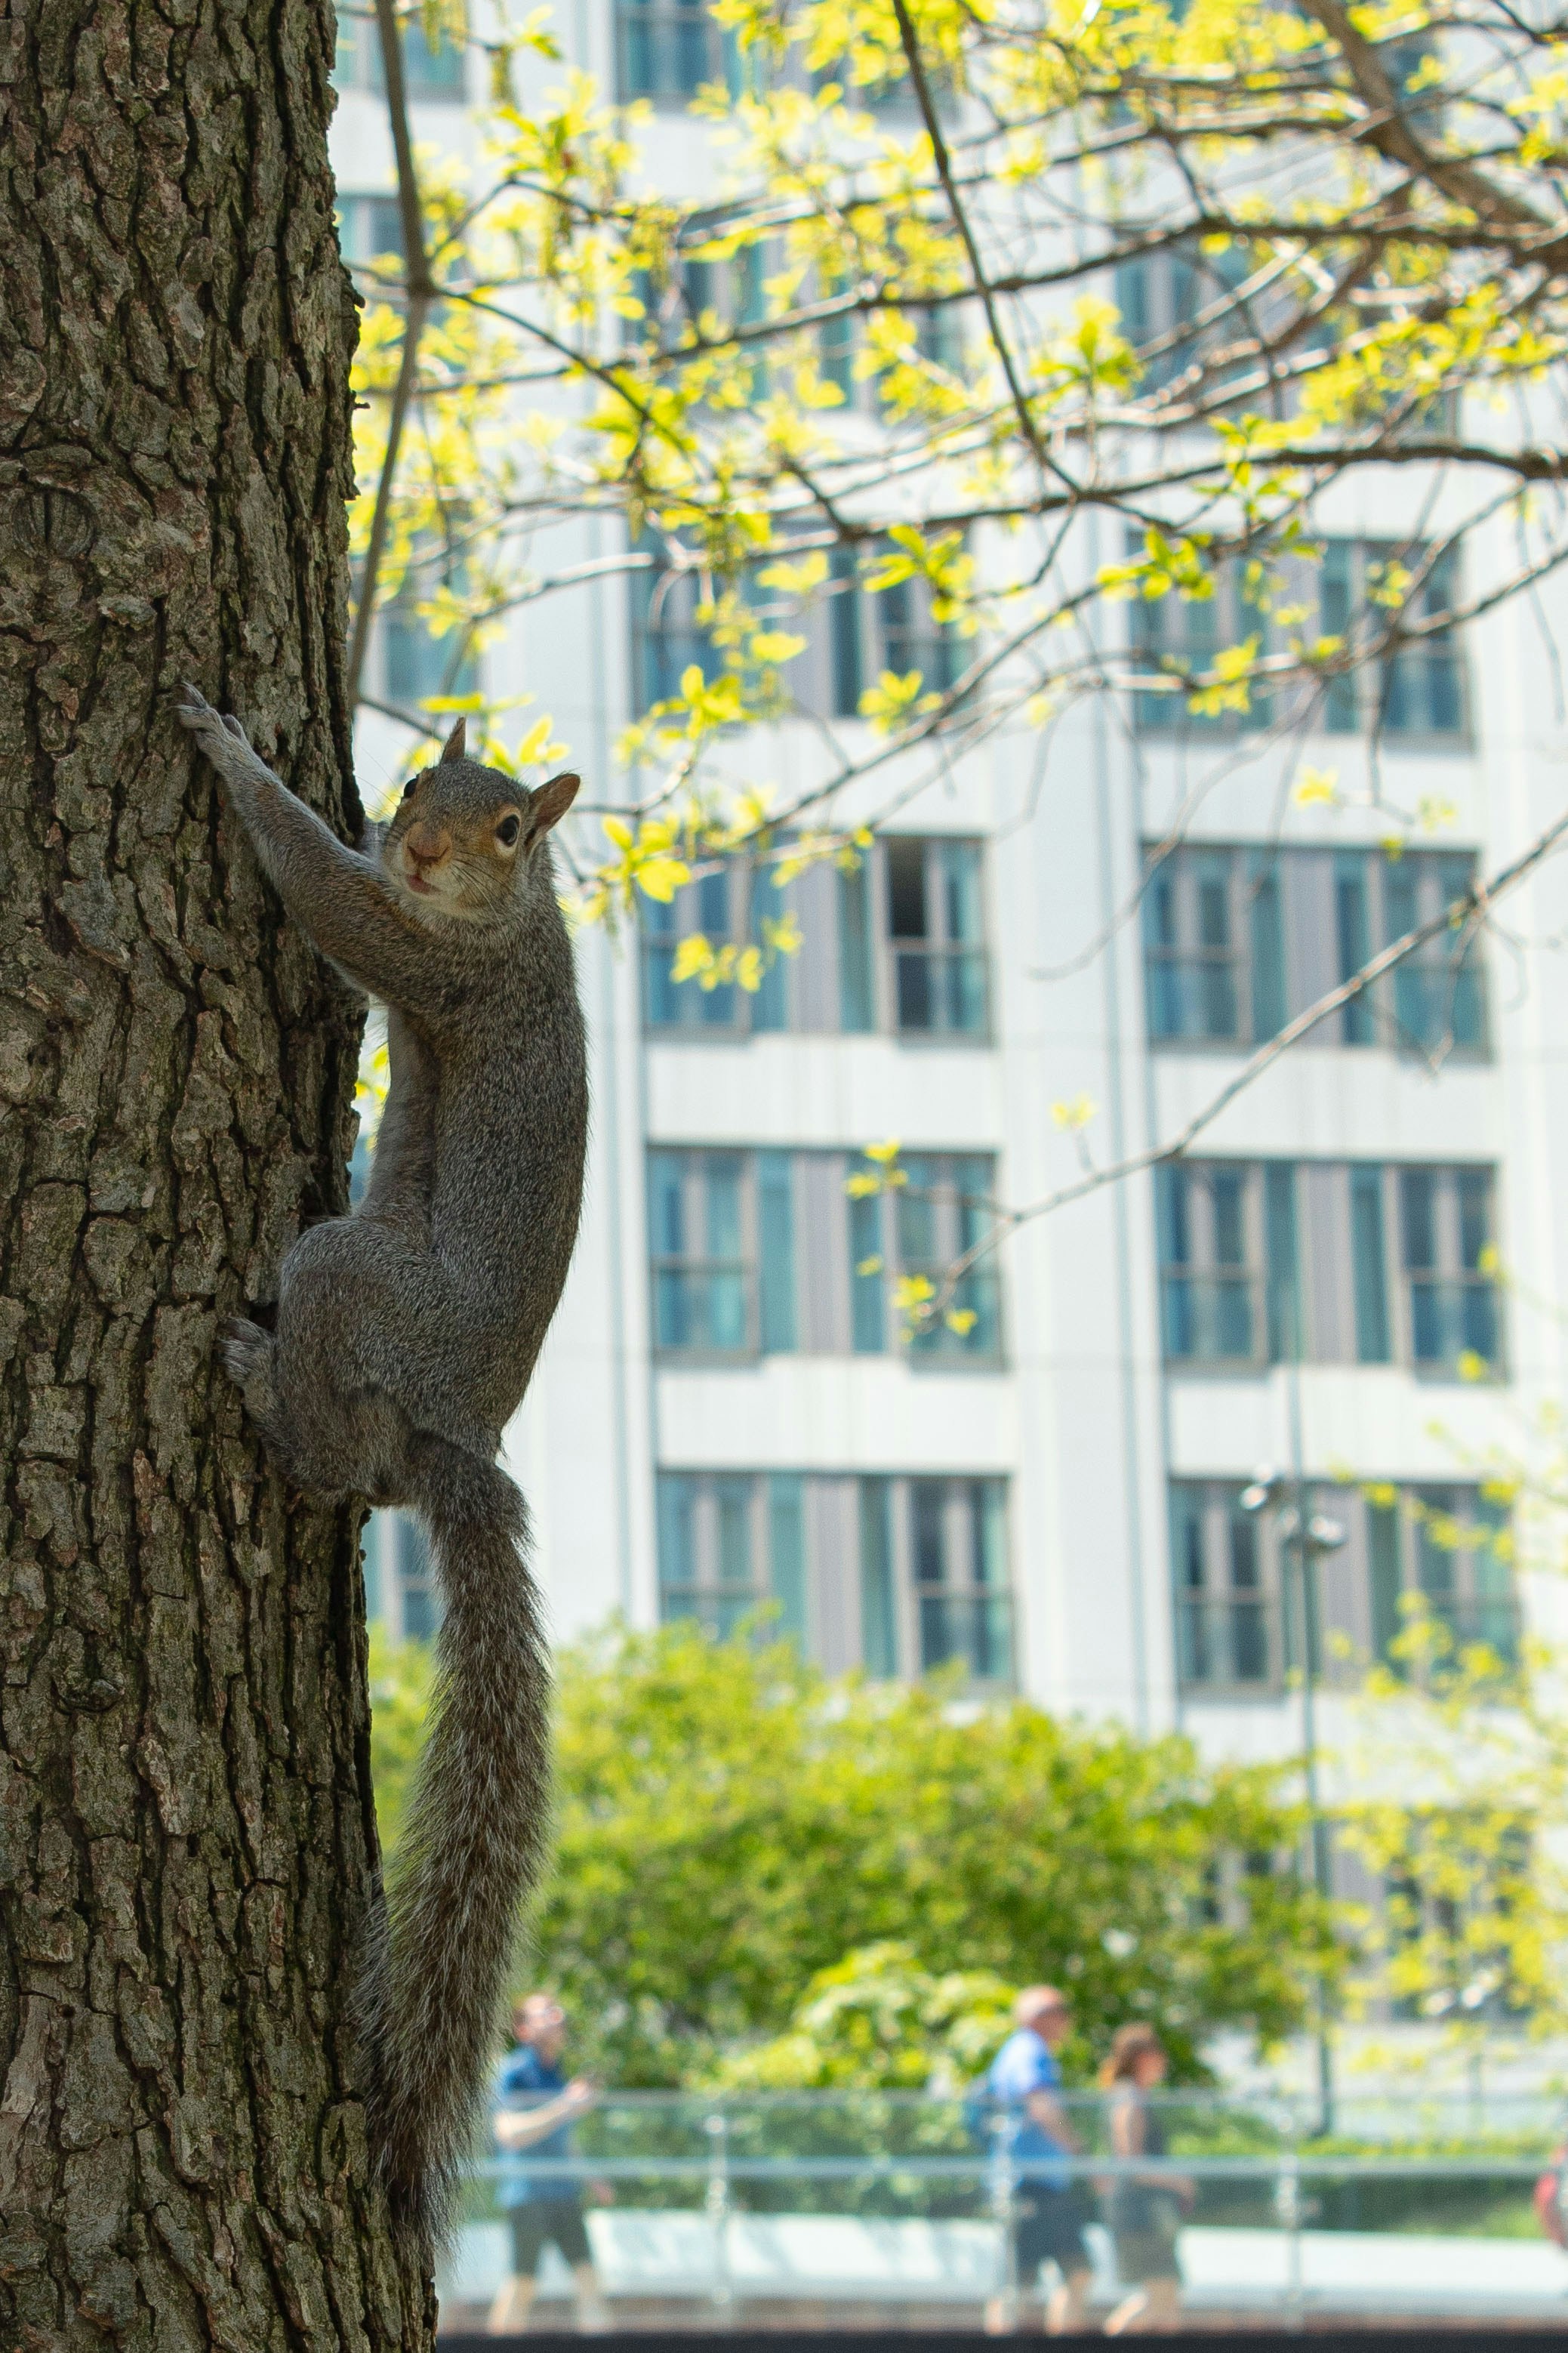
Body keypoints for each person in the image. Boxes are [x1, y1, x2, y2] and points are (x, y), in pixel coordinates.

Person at [488, 1995, 608, 2335]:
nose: (557, 2016)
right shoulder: (512, 2072)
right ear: (523, 2029)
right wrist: (565, 2106)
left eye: (557, 2010)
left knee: (588, 2278)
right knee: (522, 2283)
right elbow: (508, 2132)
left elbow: (563, 2138)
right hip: (527, 2194)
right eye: (546, 2013)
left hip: (564, 2194)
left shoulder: (557, 2075)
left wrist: (592, 2178)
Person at [981, 1986, 1094, 2336]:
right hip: (1028, 2185)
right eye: (1058, 2012)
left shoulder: (1026, 2051)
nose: (1064, 2021)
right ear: (1038, 2016)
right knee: (1023, 2282)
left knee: (1071, 2274)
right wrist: (1078, 2150)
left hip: (1042, 2185)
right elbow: (1040, 2103)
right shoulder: (1029, 2050)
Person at [1101, 2025, 1194, 2336]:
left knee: (1167, 2299)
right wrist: (1179, 2182)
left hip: (1147, 2211)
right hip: (1139, 2213)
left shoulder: (1135, 2096)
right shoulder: (1129, 2098)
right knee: (1159, 2295)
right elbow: (1132, 2164)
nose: (1163, 2061)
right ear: (1143, 2057)